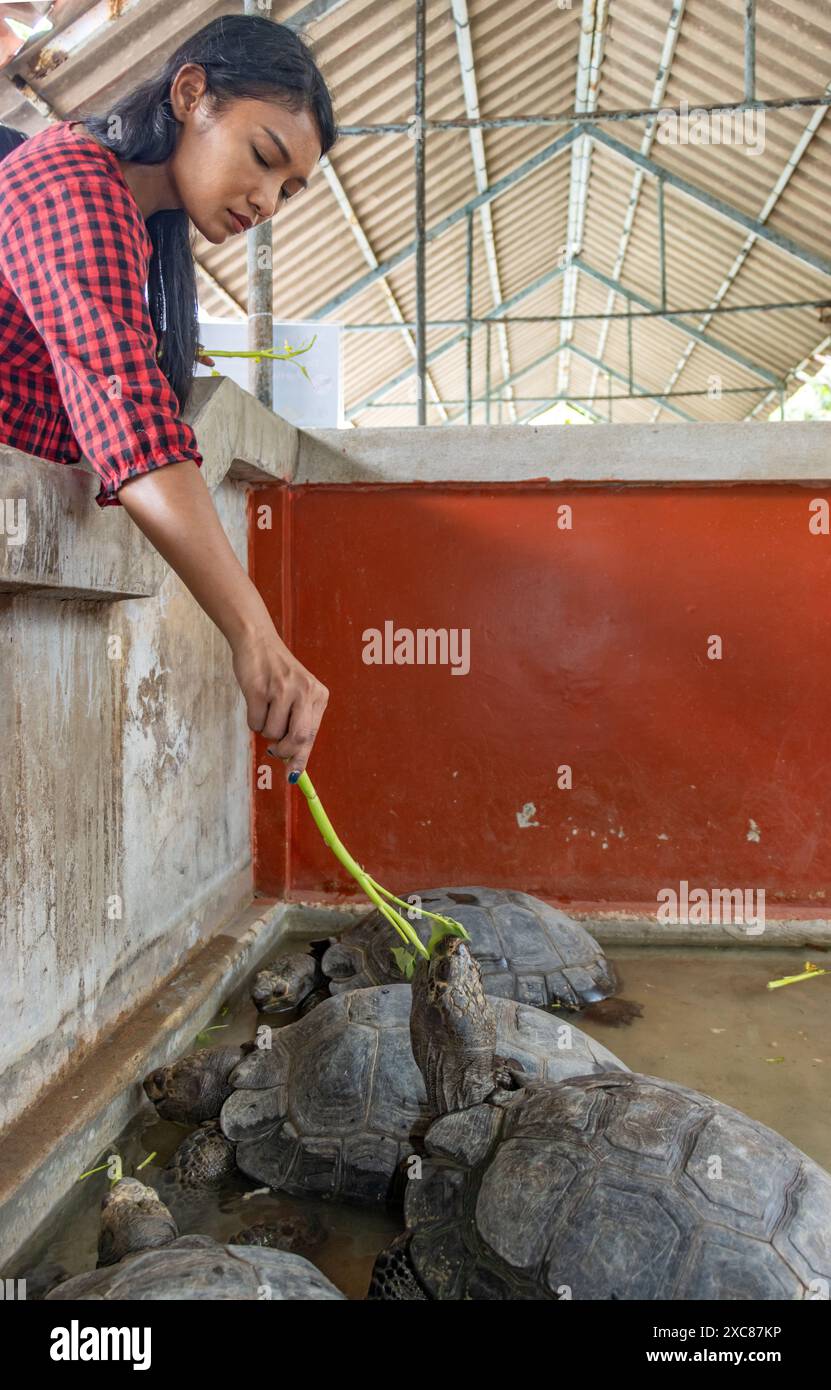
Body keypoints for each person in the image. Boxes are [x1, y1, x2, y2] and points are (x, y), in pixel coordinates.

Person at [0, 14, 336, 783]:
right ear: (191, 94)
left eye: (288, 189)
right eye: (262, 157)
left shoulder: (141, 226)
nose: (268, 202)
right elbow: (129, 423)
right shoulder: (71, 184)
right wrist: (255, 634)